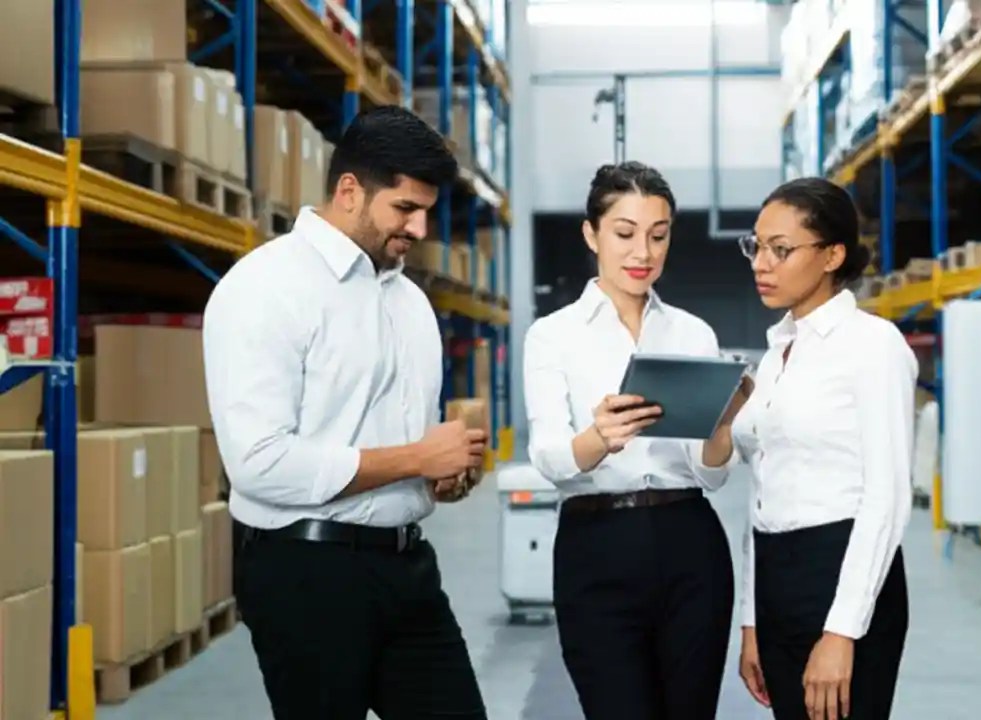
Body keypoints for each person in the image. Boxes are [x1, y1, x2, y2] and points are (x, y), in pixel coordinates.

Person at [202, 105, 491, 720]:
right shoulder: (264, 288)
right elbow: (258, 463)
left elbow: (404, 446)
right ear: (350, 191)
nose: (417, 228)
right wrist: (416, 457)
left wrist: (443, 475)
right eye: (404, 209)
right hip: (306, 573)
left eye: (426, 213)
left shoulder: (410, 303)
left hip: (407, 567)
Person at [522, 161, 749, 720]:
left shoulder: (693, 333)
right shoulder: (553, 336)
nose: (642, 252)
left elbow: (711, 473)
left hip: (690, 543)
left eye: (658, 234)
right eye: (624, 233)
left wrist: (723, 425)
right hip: (595, 545)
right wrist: (598, 438)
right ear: (591, 233)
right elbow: (550, 457)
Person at [733, 177, 915, 720]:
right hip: (776, 579)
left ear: (833, 254)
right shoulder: (776, 354)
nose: (761, 263)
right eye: (756, 246)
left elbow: (887, 499)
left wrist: (841, 631)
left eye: (781, 250)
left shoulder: (873, 346)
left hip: (843, 574)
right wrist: (752, 620)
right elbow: (761, 494)